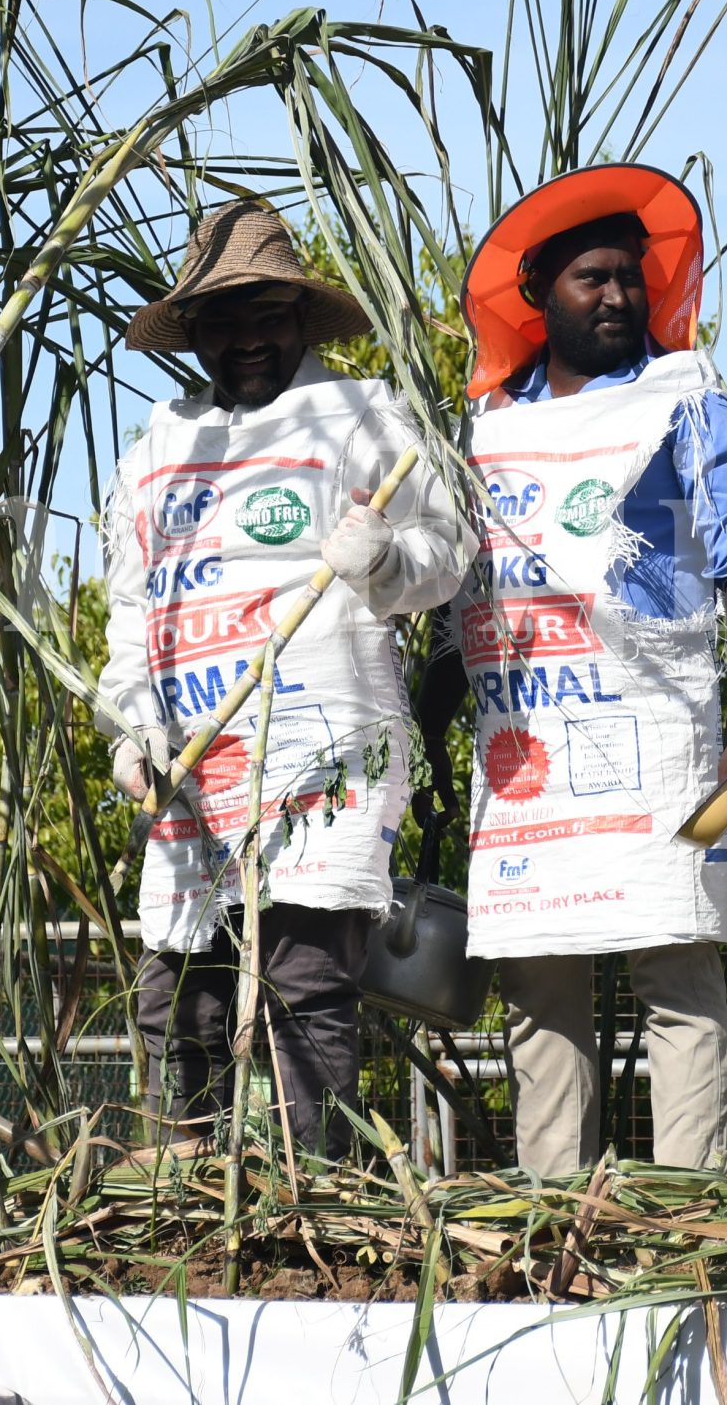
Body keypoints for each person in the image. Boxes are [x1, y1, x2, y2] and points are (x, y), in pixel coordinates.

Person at [416, 163, 727, 1176]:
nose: (619, 295)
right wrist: (420, 727)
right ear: (538, 296)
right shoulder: (485, 433)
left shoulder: (690, 404)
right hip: (521, 771)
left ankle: (684, 1218)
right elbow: (464, 605)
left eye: (630, 276)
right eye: (592, 278)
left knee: (681, 968)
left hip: (679, 760)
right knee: (539, 994)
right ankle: (552, 1222)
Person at [97, 199, 471, 1158]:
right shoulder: (159, 447)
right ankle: (185, 1192)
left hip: (325, 756)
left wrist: (385, 559)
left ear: (302, 318)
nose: (249, 340)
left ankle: (316, 1200)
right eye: (225, 321)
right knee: (181, 990)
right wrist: (132, 726)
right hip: (194, 766)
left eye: (269, 314)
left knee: (303, 985)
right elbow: (131, 616)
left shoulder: (362, 414)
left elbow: (450, 550)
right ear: (197, 335)